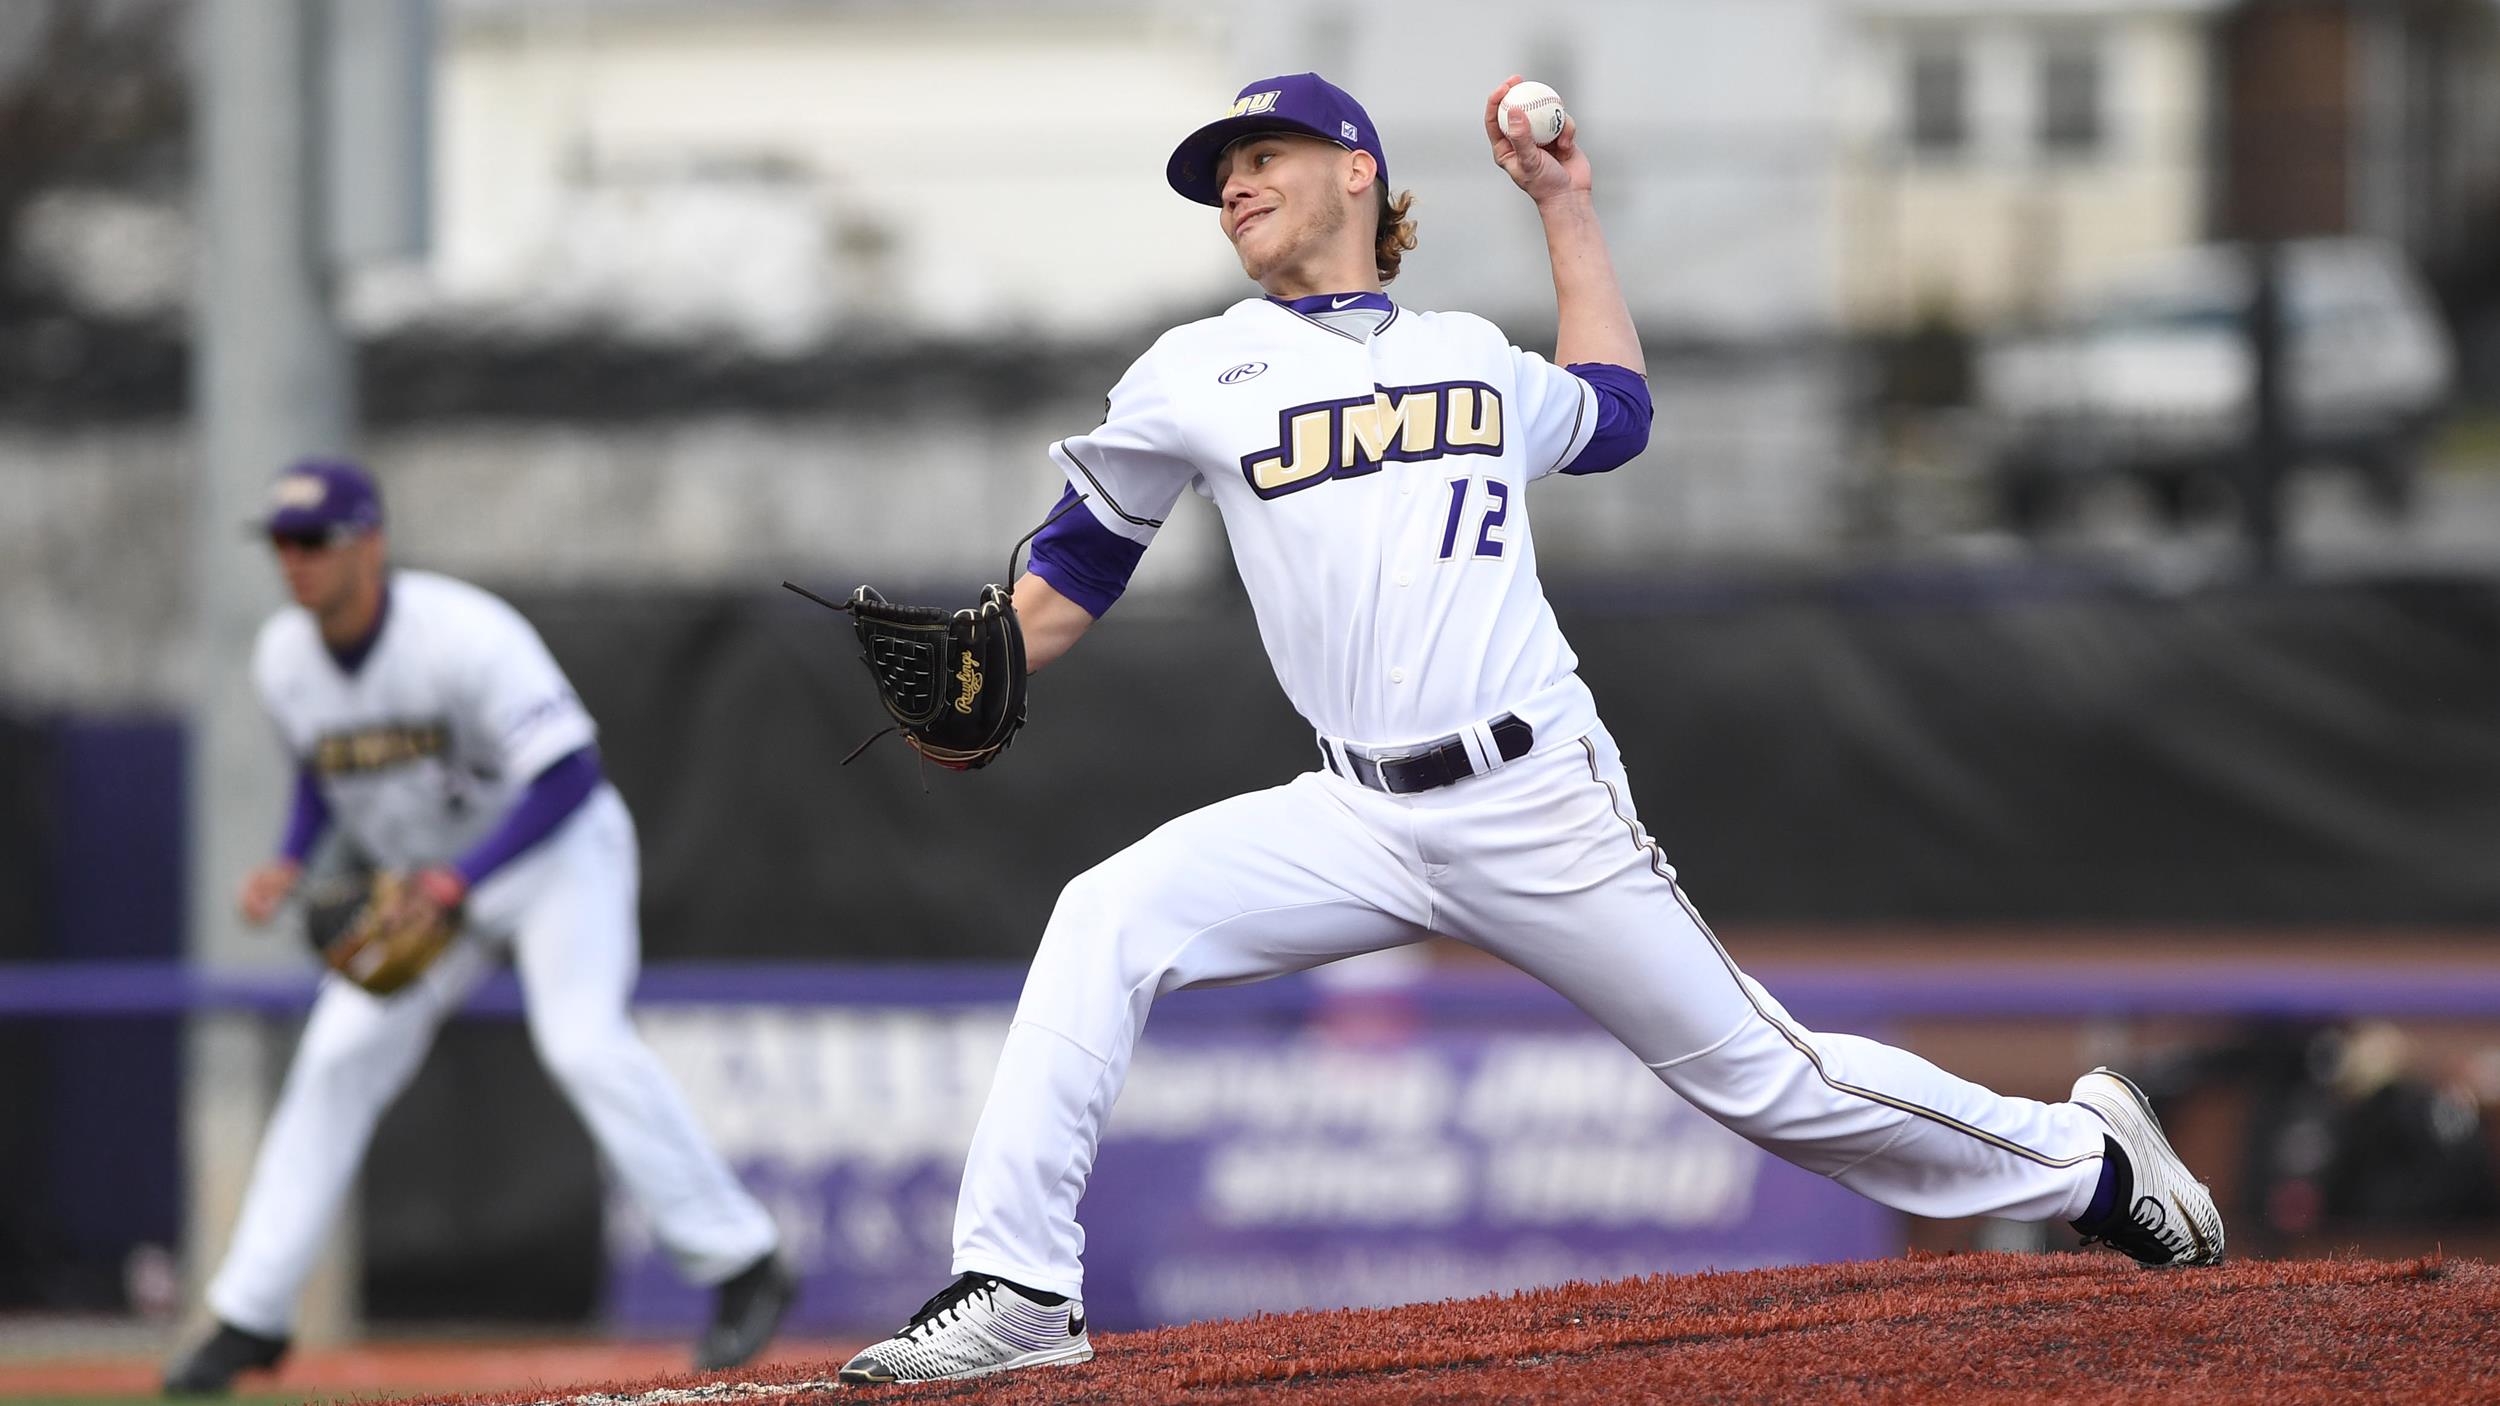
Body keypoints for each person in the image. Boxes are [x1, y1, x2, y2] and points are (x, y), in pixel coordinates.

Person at [834, 73, 2224, 1387]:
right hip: (1356, 812)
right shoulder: (1198, 371)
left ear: (1355, 171)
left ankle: (2088, 1159)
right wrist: (995, 653)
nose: (1233, 189)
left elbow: (1616, 414)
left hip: (1535, 793)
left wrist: (1566, 203)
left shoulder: (1470, 359)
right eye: (1219, 178)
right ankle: (1017, 1289)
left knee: (1768, 1081)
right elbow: (1078, 565)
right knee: (1104, 915)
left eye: (1260, 159)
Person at [164, 460, 795, 1394]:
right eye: (281, 544)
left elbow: (571, 772)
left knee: (581, 1043)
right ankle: (252, 1314)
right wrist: (292, 861)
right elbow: (323, 771)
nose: (293, 562)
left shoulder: (463, 634)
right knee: (335, 1057)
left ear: (369, 543)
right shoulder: (283, 660)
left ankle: (745, 1264)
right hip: (424, 888)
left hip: (551, 859)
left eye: (313, 542)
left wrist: (461, 880)